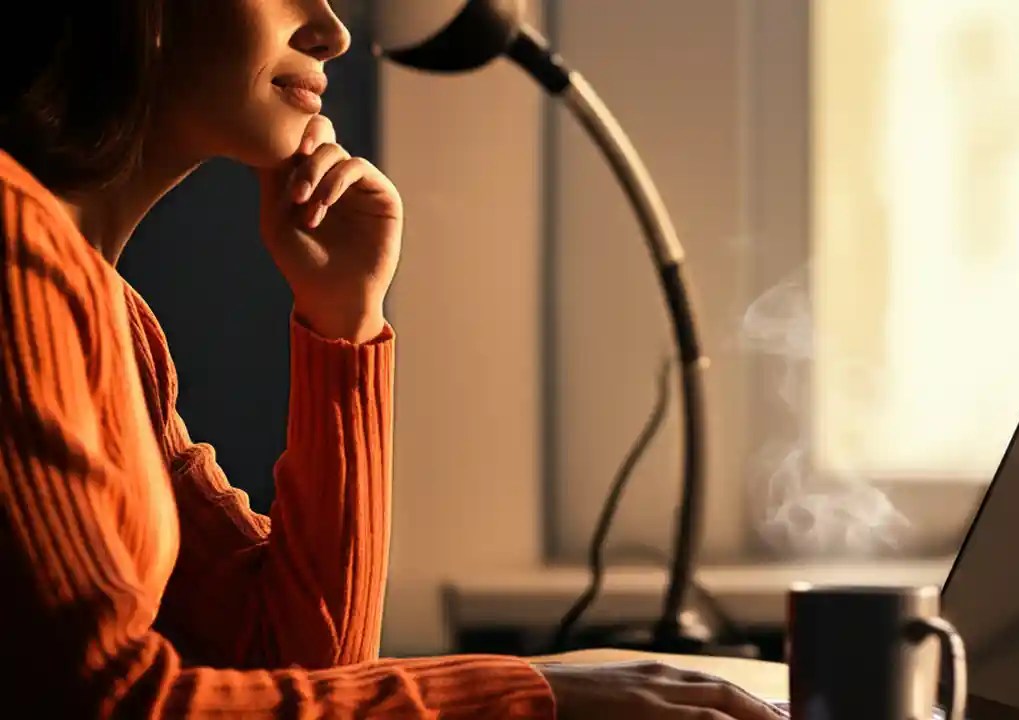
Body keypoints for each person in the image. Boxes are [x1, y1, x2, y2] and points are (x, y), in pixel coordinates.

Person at [0, 2, 786, 718]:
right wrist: (535, 697)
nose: (331, 31)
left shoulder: (113, 316)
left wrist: (344, 317)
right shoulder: (14, 252)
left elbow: (298, 655)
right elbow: (101, 704)